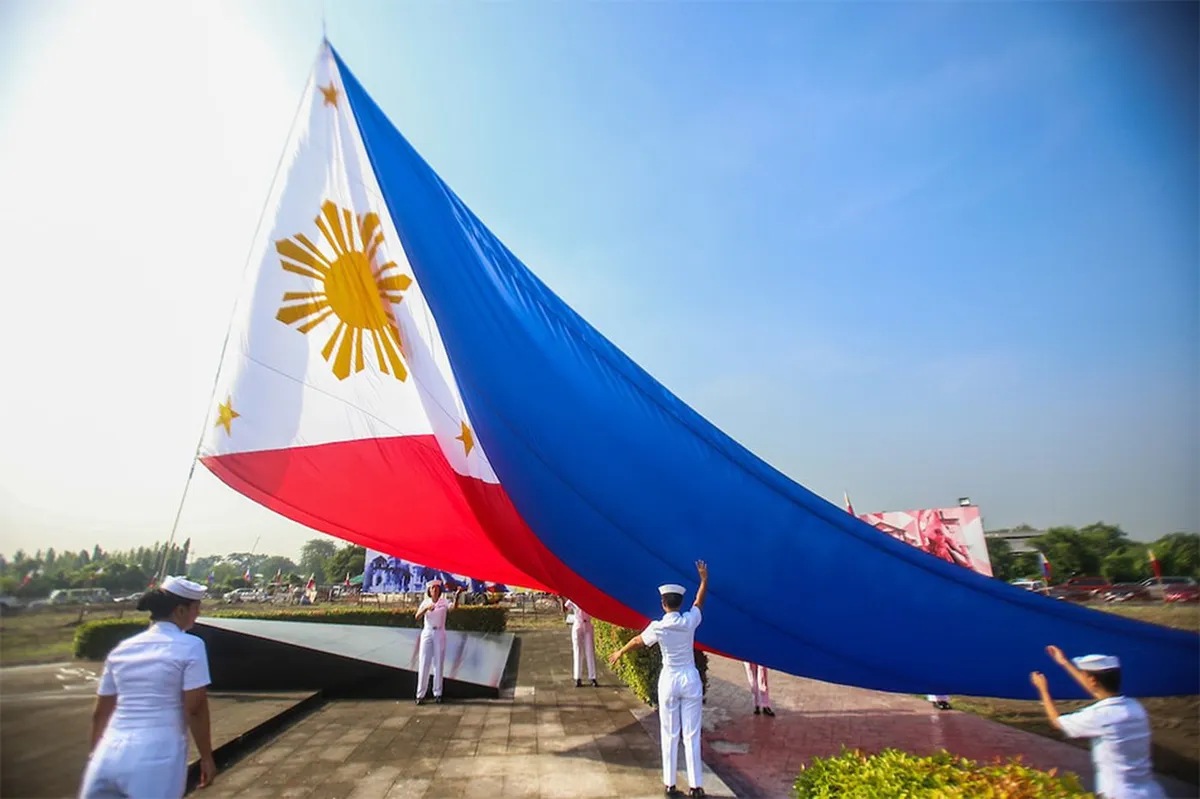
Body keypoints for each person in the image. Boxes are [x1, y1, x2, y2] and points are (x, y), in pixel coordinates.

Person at [79, 576, 216, 798]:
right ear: (180, 611)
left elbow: (100, 713)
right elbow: (195, 709)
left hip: (107, 755)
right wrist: (207, 758)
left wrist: (95, 756)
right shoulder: (191, 646)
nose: (198, 614)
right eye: (196, 608)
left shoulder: (122, 649)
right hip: (156, 758)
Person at [608, 561, 709, 799]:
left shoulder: (659, 626)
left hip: (669, 678)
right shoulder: (689, 621)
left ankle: (670, 785)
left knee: (669, 732)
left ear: (663, 604)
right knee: (692, 734)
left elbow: (637, 641)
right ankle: (696, 786)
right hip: (690, 678)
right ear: (679, 603)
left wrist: (620, 651)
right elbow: (699, 603)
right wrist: (704, 580)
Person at [1030, 645, 1165, 799]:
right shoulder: (1134, 707)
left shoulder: (1099, 716)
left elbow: (1057, 722)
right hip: (1150, 791)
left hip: (1118, 793)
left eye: (1084, 675)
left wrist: (1043, 690)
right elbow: (1096, 690)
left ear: (1093, 680)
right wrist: (1064, 663)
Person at [414, 579, 463, 705]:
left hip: (439, 632)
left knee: (438, 663)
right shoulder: (426, 602)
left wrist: (457, 597)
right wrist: (425, 609)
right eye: (433, 589)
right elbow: (417, 616)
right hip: (427, 632)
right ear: (429, 591)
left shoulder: (444, 602)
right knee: (424, 662)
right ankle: (420, 694)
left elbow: (453, 608)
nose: (435, 591)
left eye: (437, 589)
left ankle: (438, 693)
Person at [560, 597, 598, 687]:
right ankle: (578, 678)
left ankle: (592, 677)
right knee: (577, 651)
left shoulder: (590, 598)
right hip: (578, 624)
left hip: (588, 624)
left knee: (590, 651)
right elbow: (565, 609)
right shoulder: (574, 597)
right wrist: (561, 599)